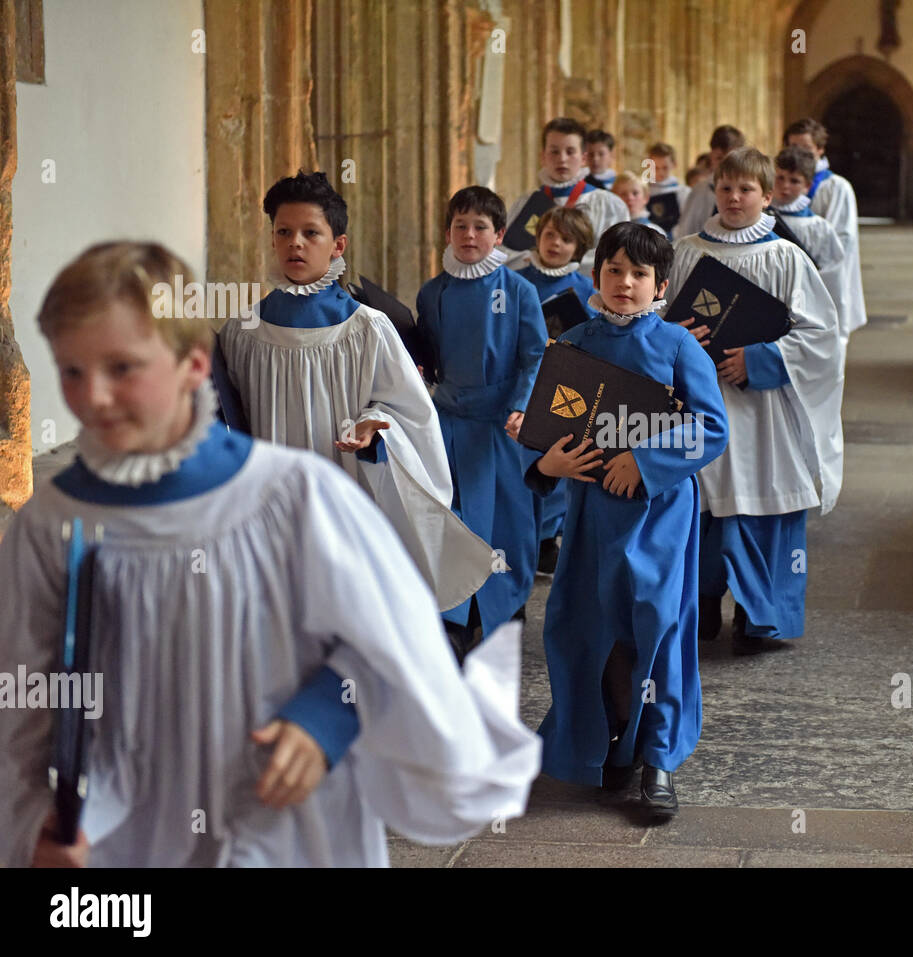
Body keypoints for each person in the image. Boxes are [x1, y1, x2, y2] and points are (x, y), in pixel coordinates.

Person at [0, 241, 541, 867]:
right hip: (124, 830)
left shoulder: (294, 497)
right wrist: (37, 824)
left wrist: (325, 720)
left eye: (123, 368)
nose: (93, 397)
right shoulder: (54, 524)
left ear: (193, 365)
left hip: (283, 817)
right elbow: (25, 698)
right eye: (72, 370)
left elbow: (394, 644)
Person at [218, 171, 493, 617]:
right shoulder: (245, 331)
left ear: (338, 245)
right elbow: (230, 416)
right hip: (271, 502)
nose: (296, 244)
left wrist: (376, 425)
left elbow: (411, 412)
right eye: (283, 232)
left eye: (311, 233)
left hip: (348, 492)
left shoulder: (367, 328)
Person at [523, 222, 728, 817]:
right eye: (614, 270)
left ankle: (659, 757)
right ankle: (610, 744)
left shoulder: (678, 347)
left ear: (660, 285)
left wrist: (644, 461)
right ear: (596, 277)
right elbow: (542, 426)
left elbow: (712, 427)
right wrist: (548, 460)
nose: (625, 283)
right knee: (594, 625)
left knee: (656, 622)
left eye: (639, 275)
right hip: (590, 513)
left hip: (659, 511)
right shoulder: (575, 345)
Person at [667, 147, 844, 655]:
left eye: (746, 190)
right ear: (713, 191)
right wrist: (678, 340)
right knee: (699, 507)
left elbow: (822, 336)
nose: (734, 198)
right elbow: (661, 322)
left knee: (765, 500)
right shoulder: (686, 252)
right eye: (725, 188)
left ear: (767, 197)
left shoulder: (786, 257)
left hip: (766, 411)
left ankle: (762, 614)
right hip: (702, 405)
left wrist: (761, 360)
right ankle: (696, 607)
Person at [416, 186, 548, 661]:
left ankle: (504, 600)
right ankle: (456, 612)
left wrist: (522, 405)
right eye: (460, 226)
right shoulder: (432, 292)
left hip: (502, 424)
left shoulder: (519, 291)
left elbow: (536, 355)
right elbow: (427, 358)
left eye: (480, 227)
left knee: (507, 519)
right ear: (447, 231)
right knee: (454, 517)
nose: (469, 235)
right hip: (450, 419)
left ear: (499, 235)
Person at [512, 206, 600, 573]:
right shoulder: (514, 280)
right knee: (523, 456)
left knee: (559, 454)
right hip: (524, 382)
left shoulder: (585, 290)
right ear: (538, 235)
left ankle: (549, 536)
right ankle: (520, 535)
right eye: (550, 235)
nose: (555, 244)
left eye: (566, 239)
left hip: (567, 385)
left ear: (578, 249)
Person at [503, 117, 630, 271]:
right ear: (543, 157)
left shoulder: (608, 204)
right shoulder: (526, 202)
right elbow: (503, 251)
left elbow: (614, 256)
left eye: (570, 152)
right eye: (554, 151)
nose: (562, 159)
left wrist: (561, 265)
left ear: (583, 158)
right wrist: (534, 261)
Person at [783, 117, 867, 337]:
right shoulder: (780, 183)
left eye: (806, 149)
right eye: (792, 147)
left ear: (820, 149)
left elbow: (842, 240)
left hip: (823, 277)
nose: (799, 154)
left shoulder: (836, 187)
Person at [772, 146, 850, 354]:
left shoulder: (820, 229)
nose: (785, 186)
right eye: (779, 178)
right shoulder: (757, 222)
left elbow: (833, 281)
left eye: (794, 181)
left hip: (804, 311)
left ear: (807, 185)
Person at [676, 125, 745, 238]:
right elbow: (686, 231)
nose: (725, 165)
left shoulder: (749, 190)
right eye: (719, 158)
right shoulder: (700, 190)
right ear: (711, 156)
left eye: (730, 159)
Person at [645, 142, 692, 238]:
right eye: (655, 168)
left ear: (674, 165)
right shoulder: (644, 191)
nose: (660, 172)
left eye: (665, 168)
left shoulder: (683, 192)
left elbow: (687, 222)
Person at [611, 172, 667, 236]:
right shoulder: (609, 231)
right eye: (623, 194)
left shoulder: (656, 233)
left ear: (646, 198)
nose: (630, 198)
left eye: (635, 193)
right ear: (614, 198)